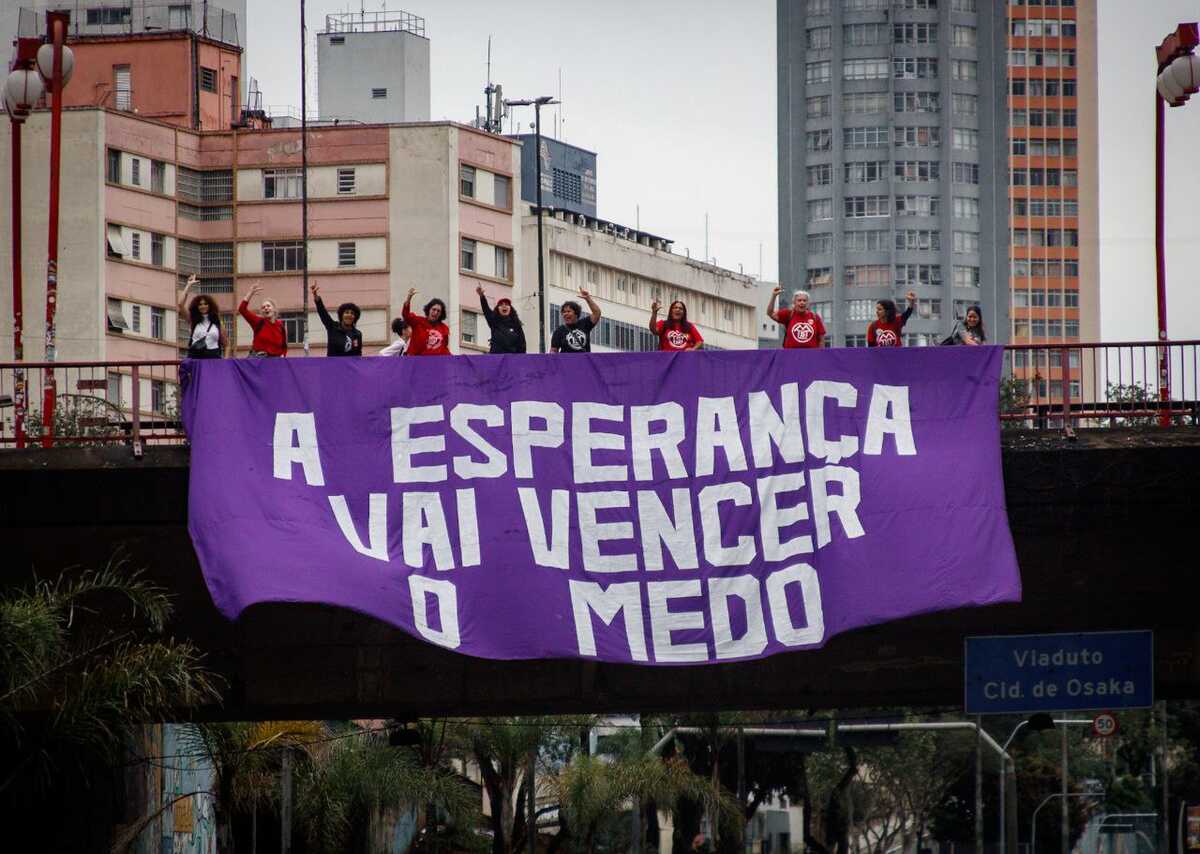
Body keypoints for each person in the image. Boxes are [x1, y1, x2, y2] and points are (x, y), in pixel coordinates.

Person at [178, 274, 227, 359]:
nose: (203, 306)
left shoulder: (217, 322)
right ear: (196, 307)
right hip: (196, 359)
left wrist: (224, 363)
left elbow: (227, 345)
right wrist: (188, 285)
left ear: (210, 305)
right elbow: (180, 304)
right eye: (200, 304)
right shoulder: (193, 320)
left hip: (213, 359)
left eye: (205, 304)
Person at [310, 282, 363, 357]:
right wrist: (316, 296)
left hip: (350, 365)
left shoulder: (357, 334)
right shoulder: (333, 327)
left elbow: (358, 355)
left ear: (355, 317)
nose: (349, 315)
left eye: (352, 313)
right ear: (341, 315)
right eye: (346, 312)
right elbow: (323, 313)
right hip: (333, 364)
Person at [238, 284, 287, 357]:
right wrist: (250, 293)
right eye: (263, 307)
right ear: (262, 312)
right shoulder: (258, 321)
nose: (266, 308)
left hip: (275, 361)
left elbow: (284, 347)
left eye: (268, 306)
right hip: (259, 360)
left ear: (274, 309)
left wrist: (283, 356)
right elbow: (242, 309)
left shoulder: (281, 326)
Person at [477, 284, 526, 353]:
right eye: (501, 305)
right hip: (496, 358)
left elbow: (522, 346)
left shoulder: (516, 325)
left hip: (511, 358)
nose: (504, 306)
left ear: (510, 308)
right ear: (498, 309)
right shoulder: (494, 322)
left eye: (506, 304)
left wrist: (520, 359)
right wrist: (482, 296)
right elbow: (486, 310)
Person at [550, 288, 601, 353]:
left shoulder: (585, 323)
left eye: (568, 311)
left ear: (576, 313)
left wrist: (588, 299)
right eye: (564, 312)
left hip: (584, 359)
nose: (565, 314)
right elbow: (553, 350)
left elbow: (597, 313)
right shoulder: (559, 331)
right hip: (566, 360)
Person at [403, 287, 452, 355]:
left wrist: (456, 360)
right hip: (415, 359)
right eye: (434, 309)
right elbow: (406, 316)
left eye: (438, 311)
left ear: (441, 314)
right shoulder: (418, 321)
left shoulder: (444, 328)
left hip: (433, 361)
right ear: (429, 310)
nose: (435, 312)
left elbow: (444, 348)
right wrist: (409, 299)